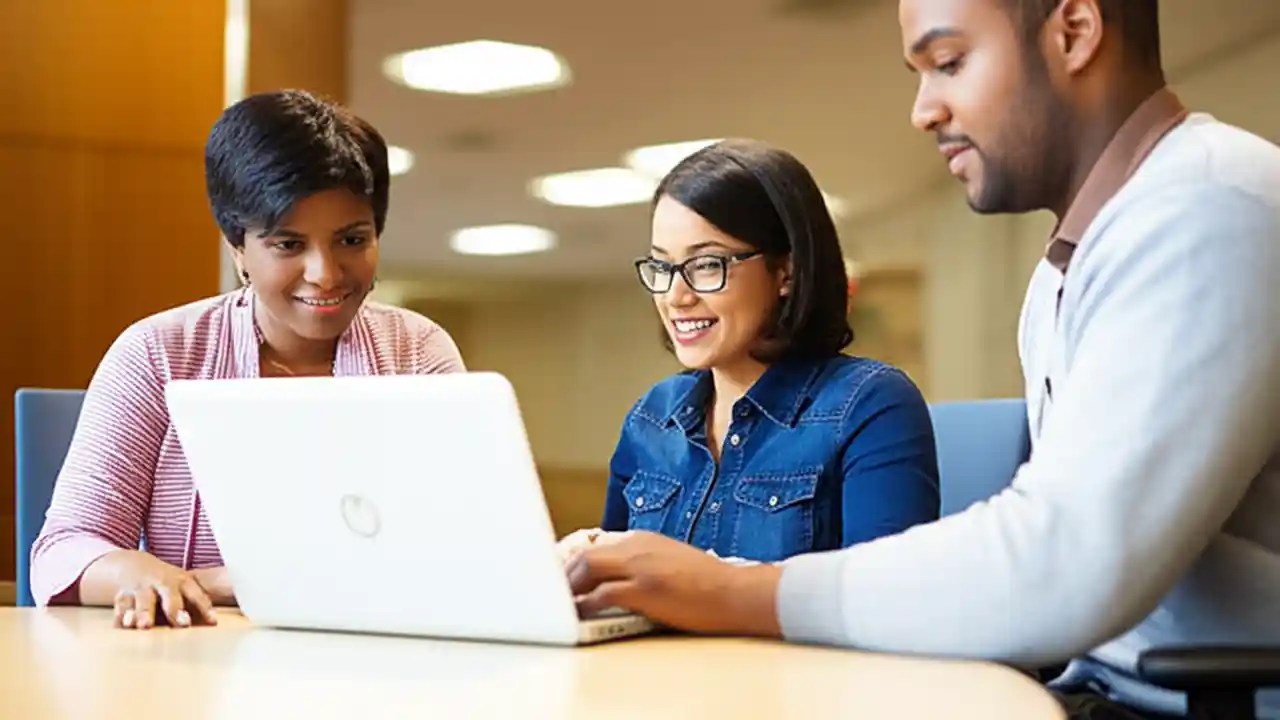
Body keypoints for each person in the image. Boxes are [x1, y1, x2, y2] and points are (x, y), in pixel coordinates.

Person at [565, 2, 1280, 718]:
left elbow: (1065, 562)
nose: (923, 111)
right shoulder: (1063, 276)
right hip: (1091, 687)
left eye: (949, 62)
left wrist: (723, 590)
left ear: (1075, 30)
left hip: (1188, 700)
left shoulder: (1207, 206)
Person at [30, 90, 466, 630]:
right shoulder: (158, 355)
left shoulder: (418, 353)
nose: (325, 274)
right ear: (238, 247)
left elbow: (469, 543)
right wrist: (133, 572)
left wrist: (215, 581)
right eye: (287, 245)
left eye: (352, 239)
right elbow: (61, 552)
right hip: (195, 676)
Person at [558, 139, 939, 565]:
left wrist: (692, 583)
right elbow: (612, 595)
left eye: (706, 264)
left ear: (786, 273)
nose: (675, 296)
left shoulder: (868, 403)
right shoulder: (651, 418)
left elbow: (885, 597)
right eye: (662, 266)